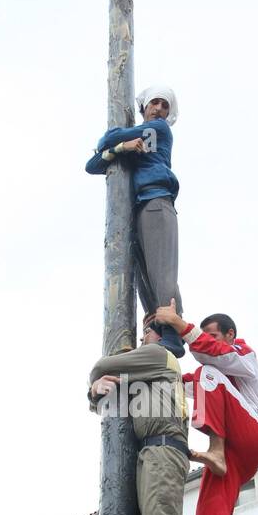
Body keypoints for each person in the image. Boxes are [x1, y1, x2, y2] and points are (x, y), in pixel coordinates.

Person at [154, 304, 258, 515]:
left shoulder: (244, 355)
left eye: (213, 334)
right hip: (236, 454)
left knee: (208, 371)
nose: (206, 339)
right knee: (208, 514)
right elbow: (180, 384)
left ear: (230, 334)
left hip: (253, 433)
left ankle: (215, 449)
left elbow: (212, 353)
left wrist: (179, 324)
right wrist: (148, 359)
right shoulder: (213, 378)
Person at [88, 317, 190, 515]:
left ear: (159, 336)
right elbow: (107, 396)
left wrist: (97, 378)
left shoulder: (159, 355)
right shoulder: (149, 374)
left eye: (146, 332)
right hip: (153, 451)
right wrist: (94, 391)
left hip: (162, 449)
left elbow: (101, 366)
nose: (141, 338)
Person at [85, 84, 184, 358]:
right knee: (144, 275)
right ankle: (162, 329)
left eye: (165, 106)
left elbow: (109, 136)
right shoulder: (140, 140)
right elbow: (92, 165)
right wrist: (121, 149)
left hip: (157, 201)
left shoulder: (159, 130)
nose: (160, 110)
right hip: (139, 208)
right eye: (155, 103)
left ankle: (174, 331)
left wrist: (118, 142)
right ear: (143, 107)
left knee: (161, 271)